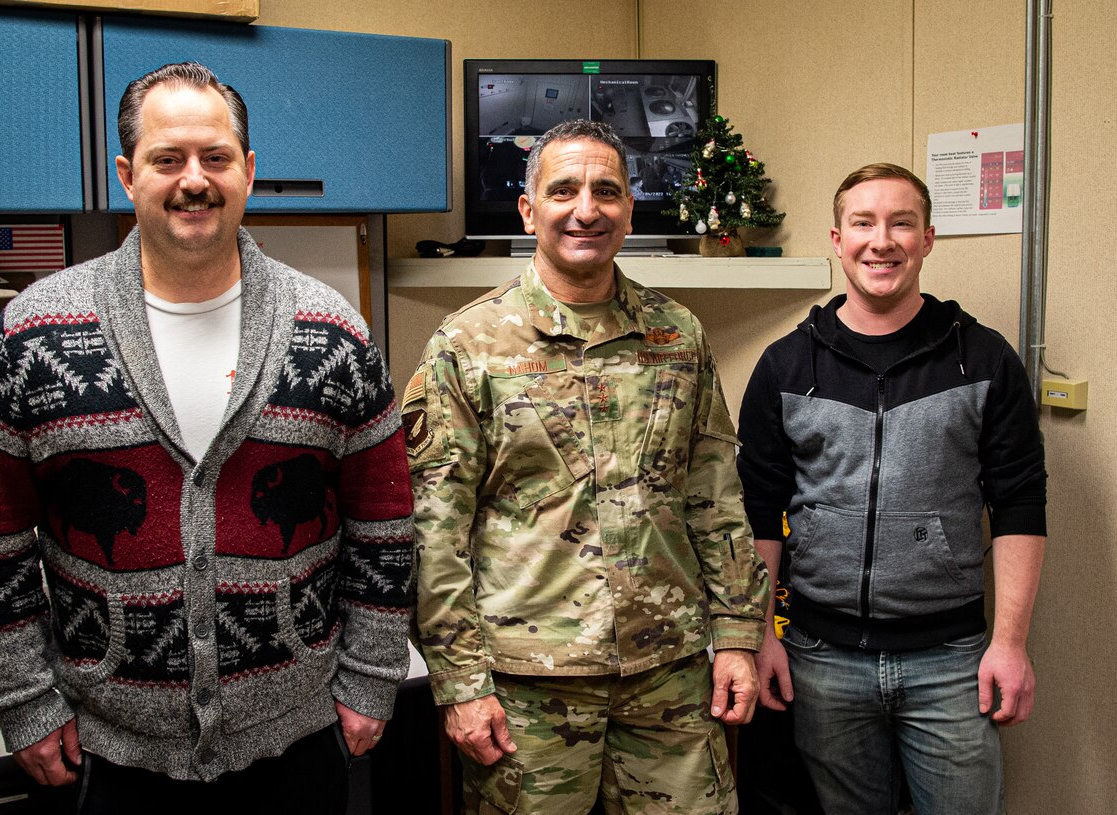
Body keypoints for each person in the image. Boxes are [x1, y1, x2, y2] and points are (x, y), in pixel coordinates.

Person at [0, 62, 414, 811]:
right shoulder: (31, 334)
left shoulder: (332, 331)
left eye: (215, 157)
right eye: (167, 159)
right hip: (108, 750)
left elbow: (385, 526)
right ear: (126, 174)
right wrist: (25, 703)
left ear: (250, 171)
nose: (193, 179)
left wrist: (371, 675)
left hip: (297, 739)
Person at [403, 119, 769, 815]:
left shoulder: (677, 335)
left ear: (629, 208)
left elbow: (714, 497)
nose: (586, 208)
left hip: (671, 672)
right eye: (564, 189)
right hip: (528, 683)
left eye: (607, 190)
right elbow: (436, 527)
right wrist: (459, 681)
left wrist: (739, 636)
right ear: (528, 208)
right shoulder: (468, 344)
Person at [737, 162, 1047, 814]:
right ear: (837, 237)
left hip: (950, 663)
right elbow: (760, 513)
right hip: (822, 661)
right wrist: (761, 633)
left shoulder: (983, 360)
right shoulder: (787, 365)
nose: (882, 240)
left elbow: (1018, 502)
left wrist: (1010, 643)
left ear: (927, 238)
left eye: (901, 223)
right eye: (864, 223)